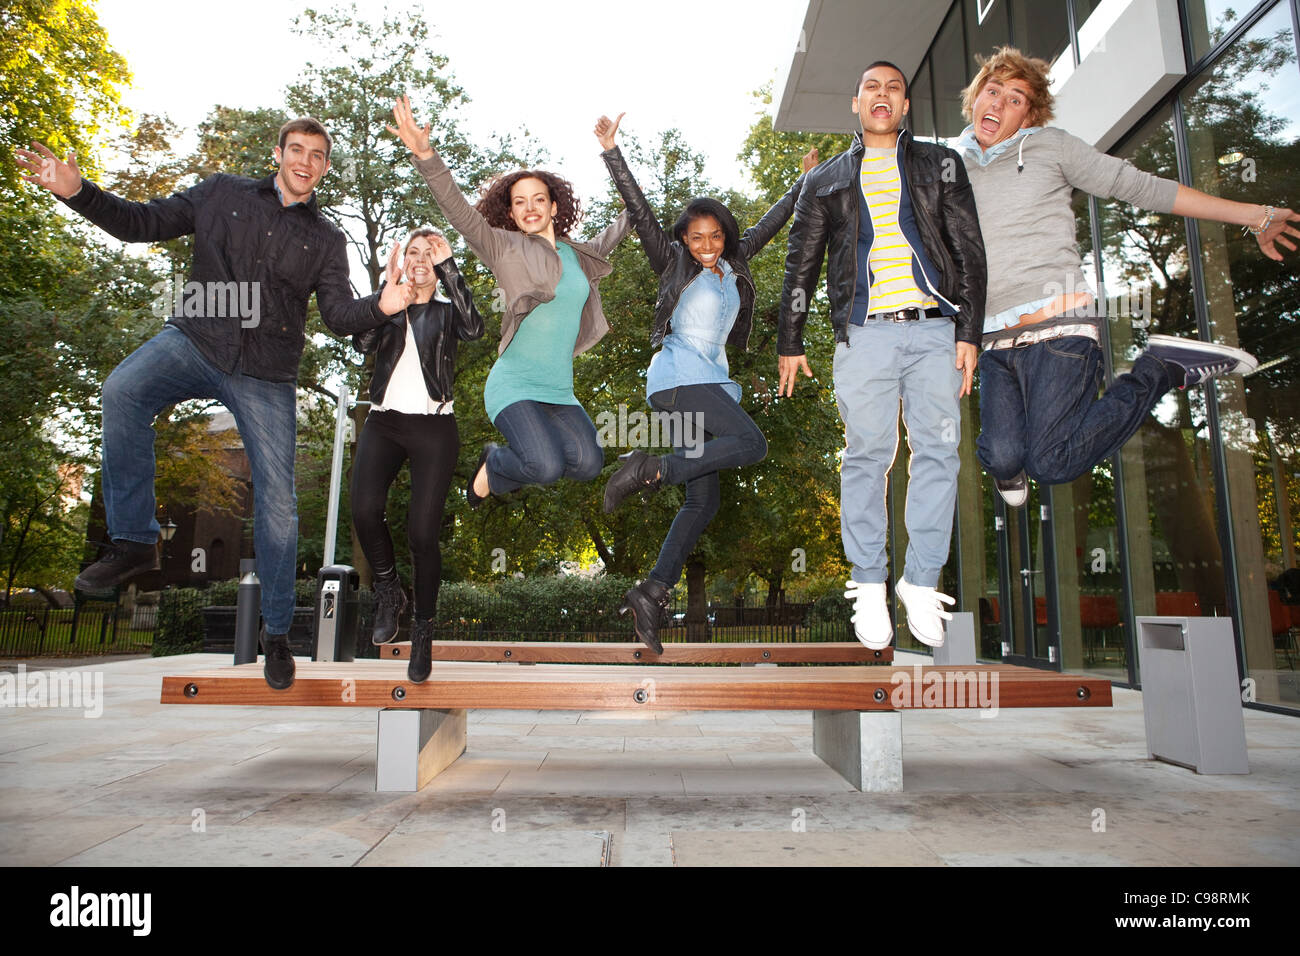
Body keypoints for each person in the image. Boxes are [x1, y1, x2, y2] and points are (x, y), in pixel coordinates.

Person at [15, 120, 413, 690]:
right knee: (122, 392)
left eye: (317, 156)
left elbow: (337, 315)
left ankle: (275, 634)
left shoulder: (326, 240)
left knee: (278, 504)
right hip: (195, 341)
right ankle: (133, 540)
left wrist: (383, 303)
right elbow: (142, 223)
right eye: (296, 150)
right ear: (277, 154)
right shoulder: (221, 192)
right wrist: (79, 192)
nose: (305, 161)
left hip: (265, 372)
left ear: (325, 168)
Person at [955, 47, 1299, 506]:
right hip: (994, 342)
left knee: (1050, 463)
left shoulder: (1050, 147)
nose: (998, 104)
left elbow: (1142, 187)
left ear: (1030, 116)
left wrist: (1256, 215)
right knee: (999, 457)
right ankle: (1007, 464)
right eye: (992, 91)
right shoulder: (943, 164)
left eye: (1015, 99)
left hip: (1060, 331)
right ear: (975, 97)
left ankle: (1159, 369)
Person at [779, 61, 987, 650]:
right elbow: (802, 263)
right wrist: (789, 339)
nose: (883, 94)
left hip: (935, 330)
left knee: (940, 450)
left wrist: (968, 330)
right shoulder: (824, 181)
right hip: (864, 332)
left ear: (904, 107)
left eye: (894, 87)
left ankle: (921, 580)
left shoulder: (940, 164)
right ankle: (869, 581)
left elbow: (968, 249)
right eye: (872, 85)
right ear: (856, 102)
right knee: (867, 454)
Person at [595, 113, 814, 652]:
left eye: (715, 236)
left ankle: (652, 590)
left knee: (703, 503)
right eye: (697, 238)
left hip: (704, 385)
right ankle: (650, 468)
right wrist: (612, 152)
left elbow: (772, 221)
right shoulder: (670, 261)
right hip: (678, 381)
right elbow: (641, 213)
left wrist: (804, 181)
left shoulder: (735, 263)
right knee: (750, 442)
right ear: (684, 241)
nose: (707, 245)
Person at [387, 95, 630, 510]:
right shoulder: (503, 247)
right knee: (545, 467)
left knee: (589, 463)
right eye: (520, 202)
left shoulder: (581, 256)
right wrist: (425, 154)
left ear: (555, 206)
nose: (530, 208)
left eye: (538, 199)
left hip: (558, 390)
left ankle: (505, 464)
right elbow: (460, 212)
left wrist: (612, 153)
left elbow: (634, 214)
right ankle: (494, 462)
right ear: (512, 213)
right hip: (514, 384)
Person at [351, 226, 484, 683]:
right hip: (384, 421)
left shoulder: (448, 313)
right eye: (414, 251)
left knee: (422, 533)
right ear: (402, 260)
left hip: (434, 427)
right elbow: (361, 343)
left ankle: (422, 630)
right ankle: (388, 589)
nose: (421, 258)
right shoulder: (388, 308)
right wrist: (386, 294)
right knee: (365, 510)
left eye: (431, 253)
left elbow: (475, 327)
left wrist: (451, 270)